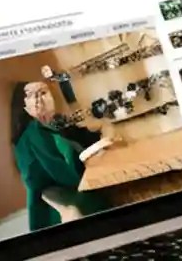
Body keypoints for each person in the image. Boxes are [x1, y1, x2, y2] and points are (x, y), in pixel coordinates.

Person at [11, 81, 112, 231]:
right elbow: (61, 174)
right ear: (24, 107)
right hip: (61, 203)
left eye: (43, 93)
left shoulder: (53, 124)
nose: (40, 100)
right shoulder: (34, 135)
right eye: (33, 96)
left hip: (75, 192)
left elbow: (83, 137)